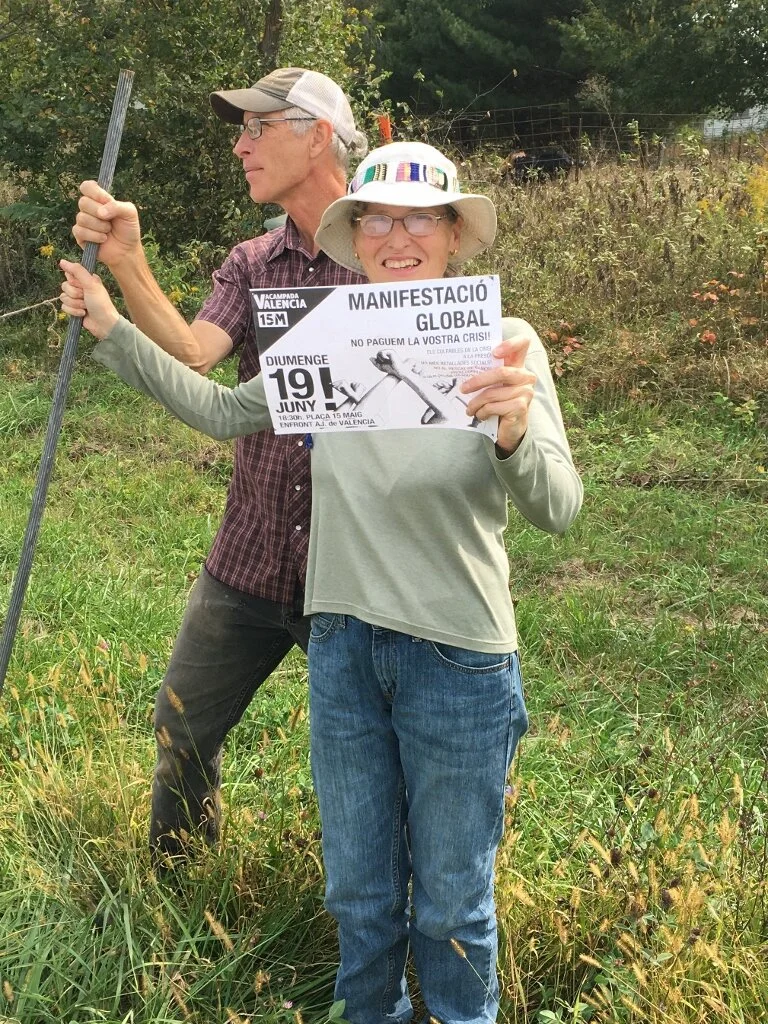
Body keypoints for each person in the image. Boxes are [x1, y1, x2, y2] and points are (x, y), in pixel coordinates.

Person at [61, 140, 583, 1023]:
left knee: (453, 909)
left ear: (454, 233)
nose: (396, 234)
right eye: (375, 218)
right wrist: (112, 329)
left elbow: (560, 508)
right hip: (341, 649)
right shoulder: (332, 337)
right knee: (360, 901)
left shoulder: (505, 343)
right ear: (354, 235)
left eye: (420, 217)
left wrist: (513, 434)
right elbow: (227, 411)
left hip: (458, 661)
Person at [69, 68, 368, 861]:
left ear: (317, 135)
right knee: (182, 724)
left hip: (351, 570)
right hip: (251, 552)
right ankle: (181, 894)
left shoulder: (389, 254)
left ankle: (376, 916)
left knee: (369, 758)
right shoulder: (254, 261)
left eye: (257, 128)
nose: (240, 146)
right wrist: (128, 264)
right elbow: (196, 353)